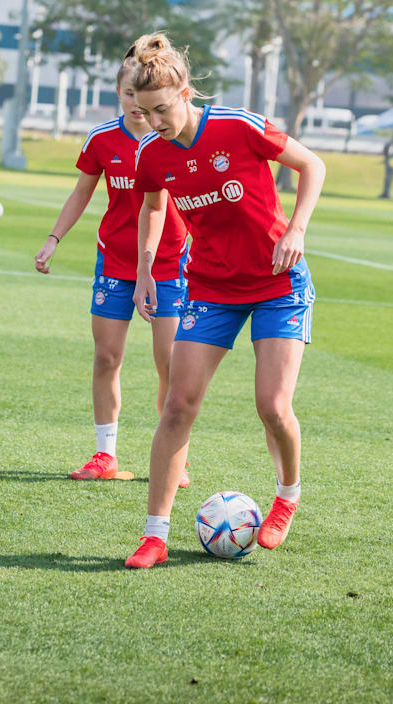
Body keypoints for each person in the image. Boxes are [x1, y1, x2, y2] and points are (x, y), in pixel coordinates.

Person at [121, 32, 327, 570]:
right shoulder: (152, 153)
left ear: (185, 92)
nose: (156, 121)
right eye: (145, 113)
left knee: (272, 407)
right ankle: (155, 534)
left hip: (278, 282)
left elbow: (313, 165)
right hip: (210, 287)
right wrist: (146, 266)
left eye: (162, 109)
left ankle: (287, 496)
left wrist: (296, 229)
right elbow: (153, 206)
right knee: (178, 405)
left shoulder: (239, 127)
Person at [34, 49, 191, 485]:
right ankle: (105, 455)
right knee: (106, 357)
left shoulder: (173, 138)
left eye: (141, 97)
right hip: (115, 261)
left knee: (170, 364)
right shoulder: (102, 139)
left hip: (169, 262)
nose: (136, 105)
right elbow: (81, 193)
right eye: (127, 94)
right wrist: (53, 240)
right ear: (121, 93)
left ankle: (176, 455)